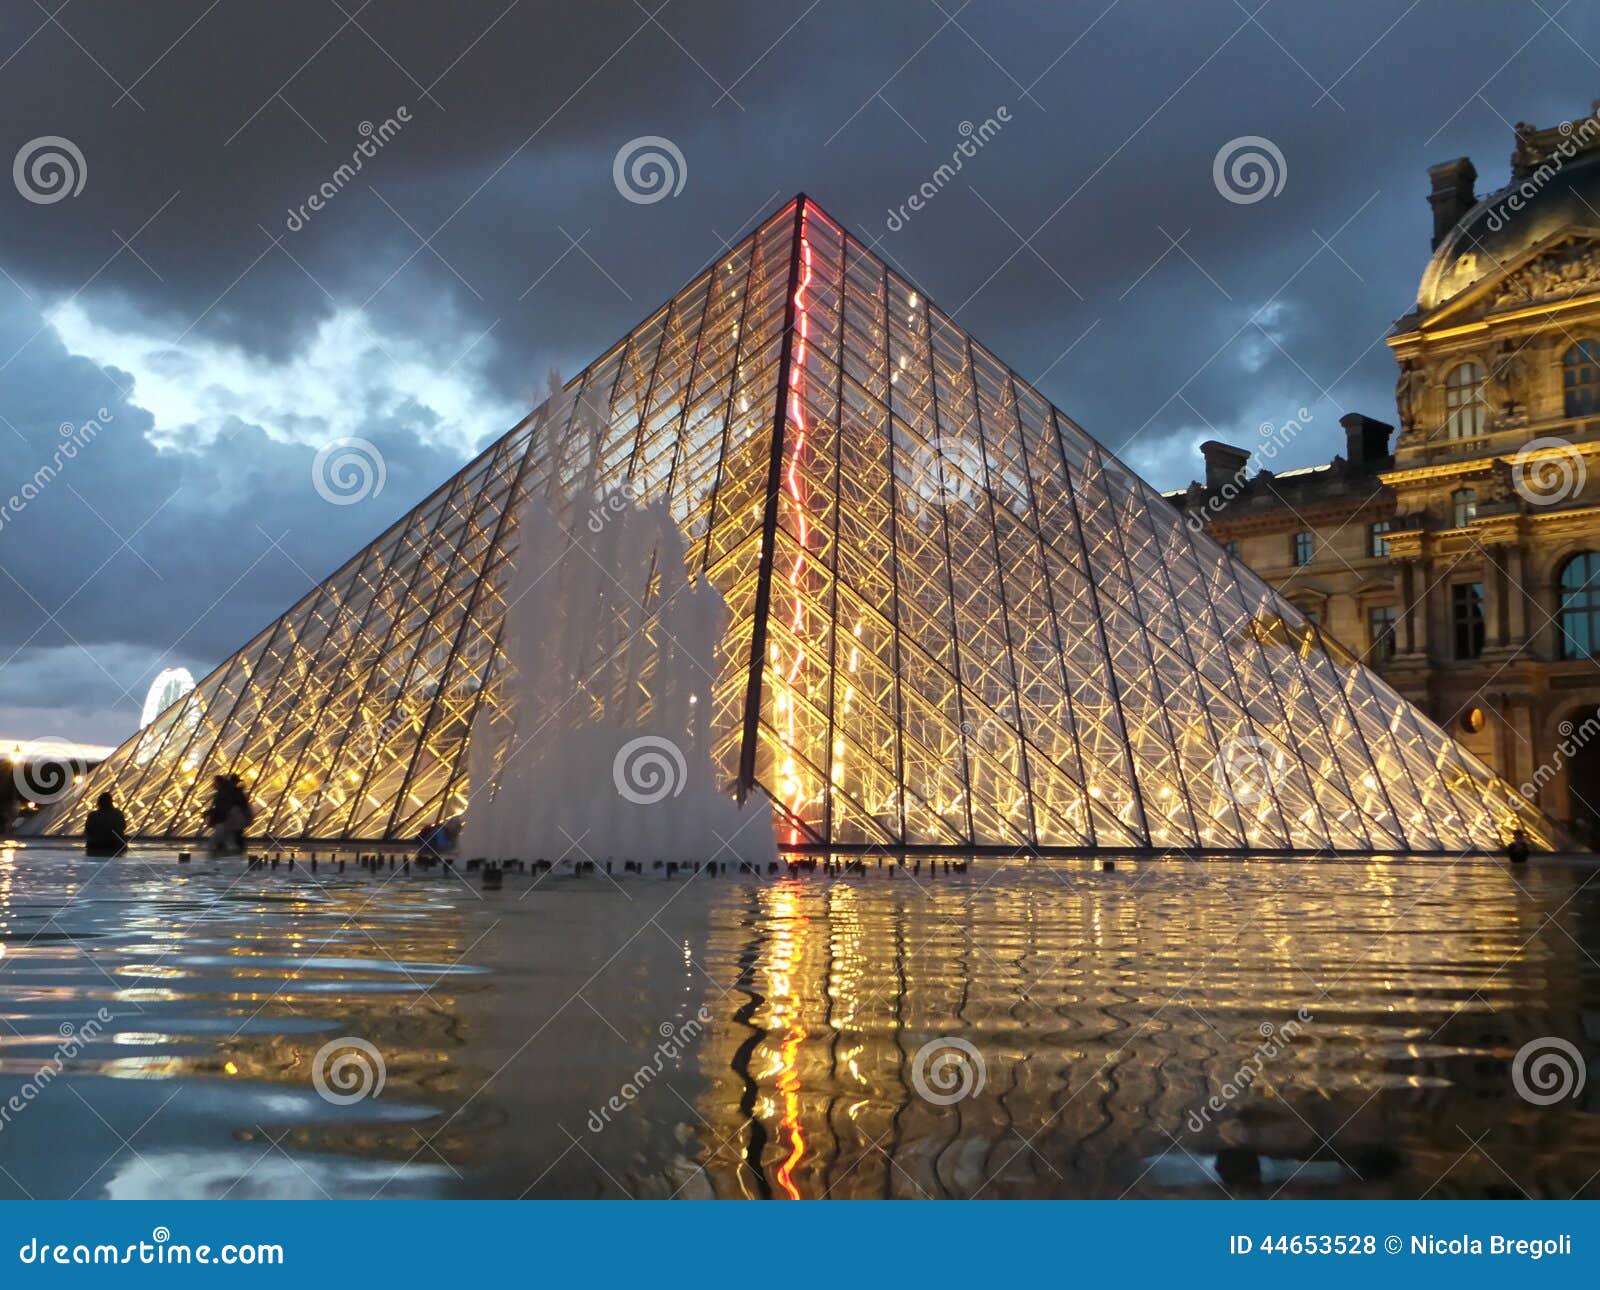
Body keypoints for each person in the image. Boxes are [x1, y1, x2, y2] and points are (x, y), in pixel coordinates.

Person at [204, 774, 254, 856]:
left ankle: (219, 853)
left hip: (226, 820)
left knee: (220, 839)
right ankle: (233, 852)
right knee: (231, 839)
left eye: (215, 783)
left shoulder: (225, 793)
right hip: (230, 821)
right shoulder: (236, 792)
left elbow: (223, 807)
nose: (213, 785)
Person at [84, 792, 128, 857]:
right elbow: (123, 827)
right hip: (116, 845)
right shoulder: (118, 814)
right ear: (111, 802)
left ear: (99, 803)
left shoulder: (93, 815)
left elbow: (88, 831)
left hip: (96, 846)